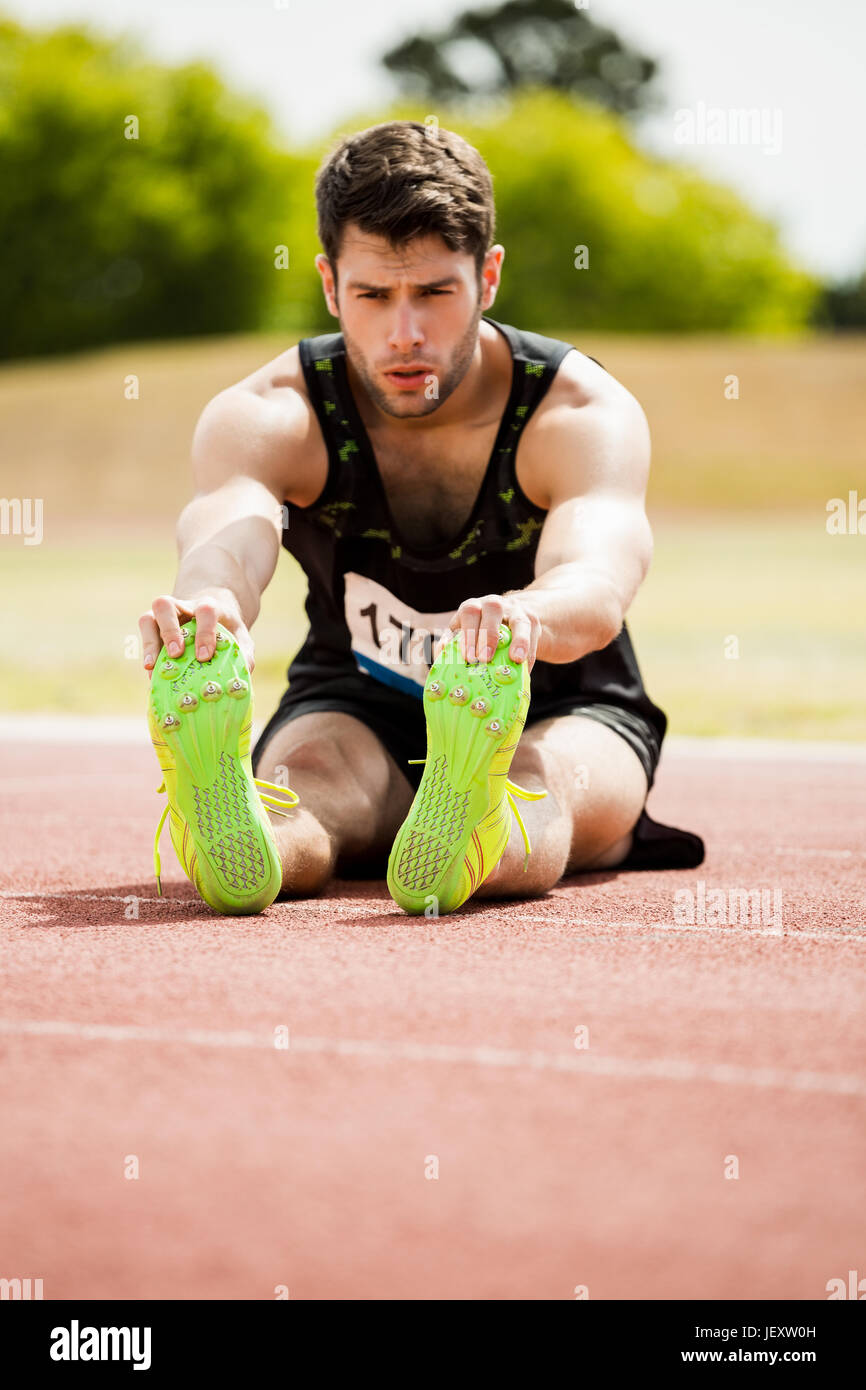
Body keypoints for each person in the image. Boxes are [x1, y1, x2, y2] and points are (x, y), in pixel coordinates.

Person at [140, 119, 704, 916]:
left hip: (557, 699)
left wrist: (521, 622)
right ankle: (243, 848)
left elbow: (598, 582)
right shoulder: (271, 414)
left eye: (436, 293)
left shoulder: (576, 411)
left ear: (489, 277)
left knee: (541, 787)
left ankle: (469, 826)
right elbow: (227, 538)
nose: (406, 334)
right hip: (356, 696)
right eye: (373, 295)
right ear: (331, 286)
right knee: (307, 784)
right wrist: (211, 607)